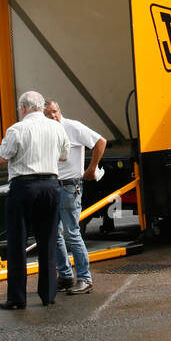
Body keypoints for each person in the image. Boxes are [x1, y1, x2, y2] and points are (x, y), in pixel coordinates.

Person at [0, 91, 69, 309]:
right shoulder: (57, 127)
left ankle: (17, 298)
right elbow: (63, 156)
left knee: (17, 242)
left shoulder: (17, 129)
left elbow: (1, 157)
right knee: (48, 240)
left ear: (24, 108)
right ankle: (48, 295)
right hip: (51, 185)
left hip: (24, 185)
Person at [46, 100, 106, 295]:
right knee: (54, 234)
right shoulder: (46, 132)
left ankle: (85, 278)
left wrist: (91, 169)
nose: (52, 116)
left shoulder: (72, 127)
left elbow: (100, 142)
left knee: (71, 233)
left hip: (70, 187)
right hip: (52, 186)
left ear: (60, 111)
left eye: (54, 111)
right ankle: (65, 276)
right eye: (48, 114)